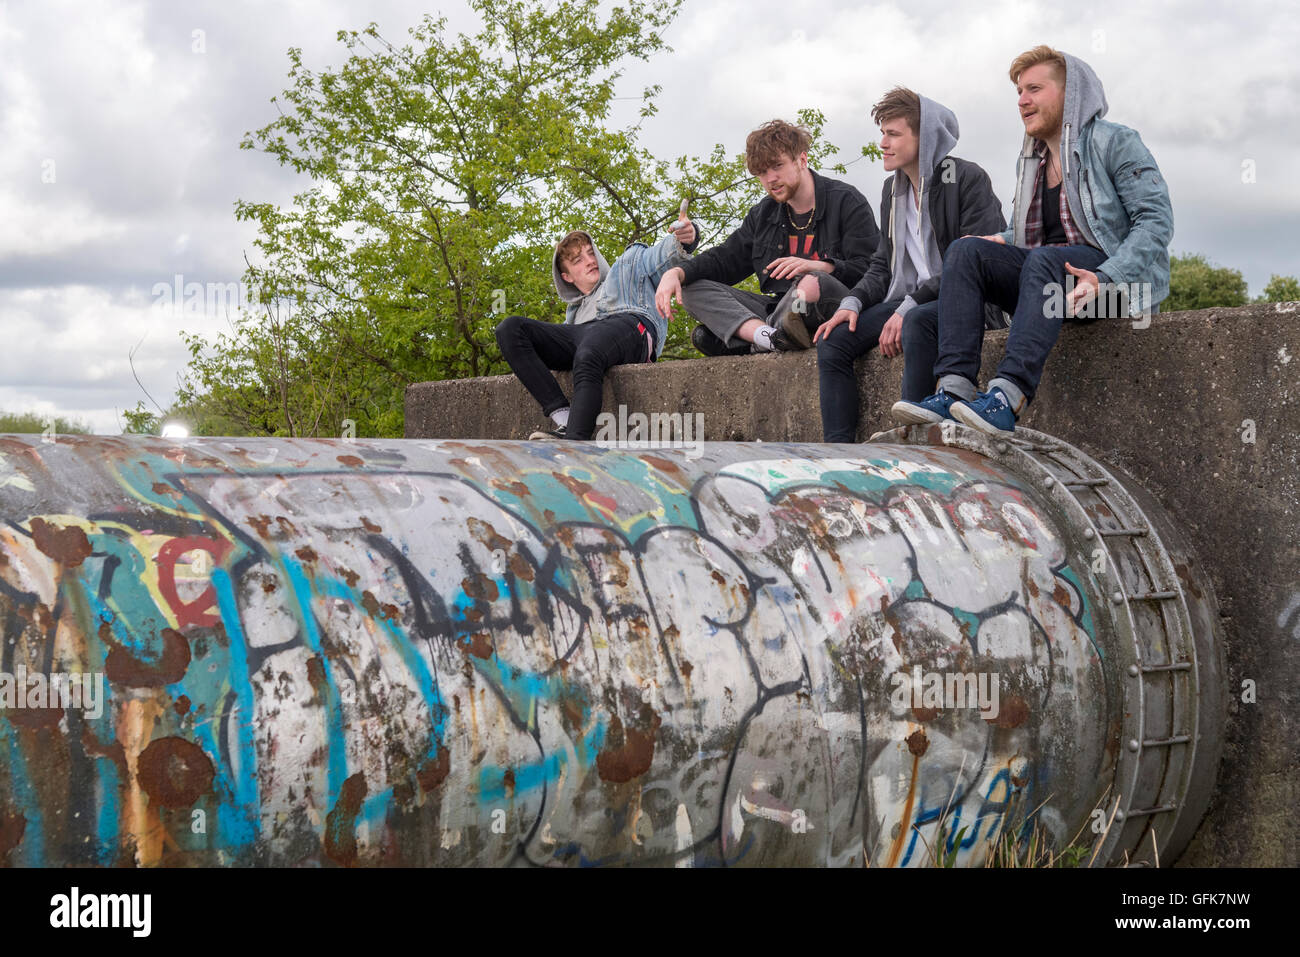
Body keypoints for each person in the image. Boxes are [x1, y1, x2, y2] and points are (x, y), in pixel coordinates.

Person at [892, 45, 1173, 436]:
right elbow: (1043, 231)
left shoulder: (1116, 142)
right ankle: (953, 390)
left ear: (1069, 94)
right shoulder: (1033, 160)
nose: (1022, 101)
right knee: (966, 250)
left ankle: (1008, 397)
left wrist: (1106, 278)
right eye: (1019, 92)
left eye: (1034, 89)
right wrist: (1000, 240)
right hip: (1053, 289)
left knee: (1044, 261)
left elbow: (1155, 223)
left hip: (1114, 289)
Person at [811, 87, 1005, 442]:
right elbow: (882, 265)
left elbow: (976, 262)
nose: (882, 143)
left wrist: (909, 304)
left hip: (960, 303)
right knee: (834, 341)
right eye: (882, 133)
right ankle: (839, 450)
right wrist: (850, 303)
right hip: (908, 302)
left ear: (925, 137)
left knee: (916, 320)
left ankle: (913, 441)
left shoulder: (966, 178)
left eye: (893, 134)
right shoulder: (892, 190)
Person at [655, 119, 879, 355]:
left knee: (811, 282)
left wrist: (820, 266)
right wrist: (677, 272)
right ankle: (770, 338)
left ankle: (759, 338)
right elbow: (724, 259)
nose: (770, 178)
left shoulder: (846, 201)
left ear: (801, 160)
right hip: (778, 309)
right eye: (762, 172)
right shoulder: (764, 214)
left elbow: (872, 271)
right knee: (691, 288)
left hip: (829, 304)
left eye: (777, 166)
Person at [494, 215, 699, 440]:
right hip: (587, 336)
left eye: (591, 253)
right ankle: (564, 418)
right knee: (510, 328)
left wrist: (685, 238)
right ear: (567, 276)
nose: (589, 261)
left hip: (629, 325)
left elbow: (660, 256)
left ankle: (574, 441)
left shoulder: (626, 267)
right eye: (578, 260)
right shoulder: (573, 315)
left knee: (588, 350)